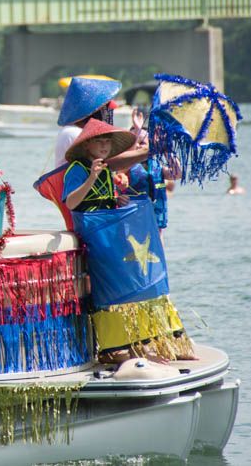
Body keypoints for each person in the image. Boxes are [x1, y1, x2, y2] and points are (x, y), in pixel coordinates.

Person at [63, 119, 194, 364]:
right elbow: (71, 203)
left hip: (109, 235)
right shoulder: (77, 169)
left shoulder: (105, 169)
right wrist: (92, 177)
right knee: (113, 292)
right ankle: (118, 348)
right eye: (99, 142)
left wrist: (116, 200)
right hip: (96, 237)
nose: (104, 146)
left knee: (134, 284)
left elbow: (100, 199)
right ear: (87, 145)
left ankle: (143, 345)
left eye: (107, 142)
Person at [53, 76, 146, 172]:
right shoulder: (73, 132)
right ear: (94, 111)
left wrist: (138, 133)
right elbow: (111, 163)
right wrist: (147, 151)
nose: (107, 114)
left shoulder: (78, 130)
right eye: (105, 110)